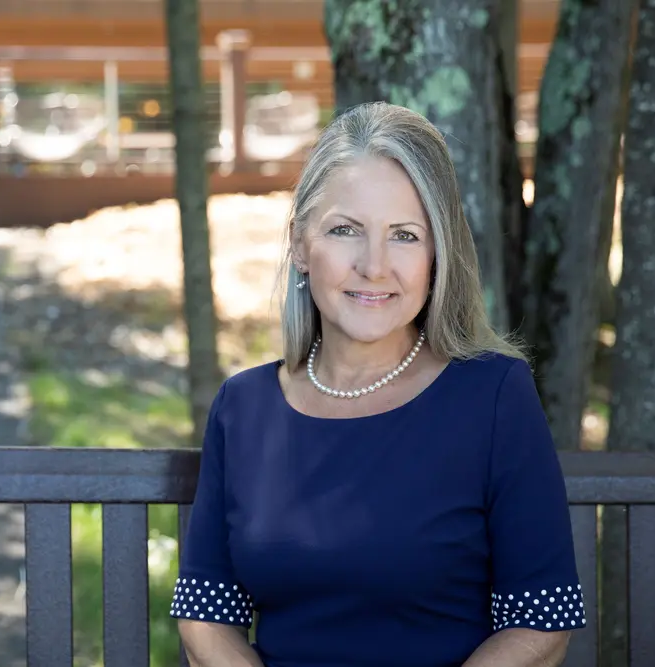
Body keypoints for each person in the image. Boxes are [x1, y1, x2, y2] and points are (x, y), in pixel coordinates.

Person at [169, 102, 585, 667]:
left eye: (405, 236)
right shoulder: (243, 408)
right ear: (299, 245)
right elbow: (206, 614)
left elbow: (542, 623)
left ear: (438, 254)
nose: (374, 265)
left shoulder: (491, 396)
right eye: (345, 230)